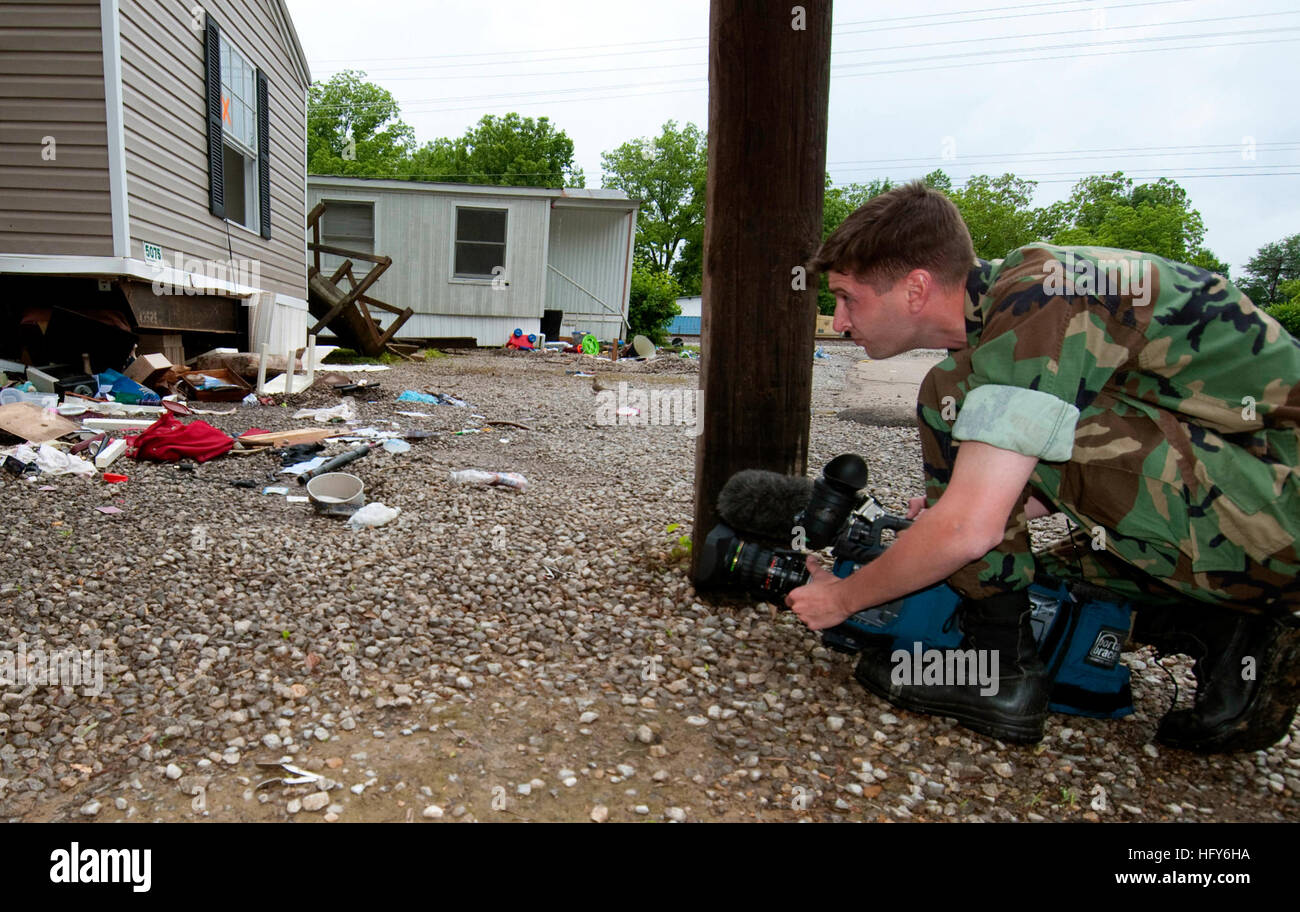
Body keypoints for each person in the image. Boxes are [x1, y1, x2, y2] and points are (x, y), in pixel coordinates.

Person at [785, 180, 1300, 751]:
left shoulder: (1041, 296)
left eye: (847, 297)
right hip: (1238, 505)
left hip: (1281, 506)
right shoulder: (976, 354)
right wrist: (963, 513)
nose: (838, 321)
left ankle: (1246, 602)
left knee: (970, 499)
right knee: (1042, 582)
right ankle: (1017, 666)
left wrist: (843, 598)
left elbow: (970, 529)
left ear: (915, 288)